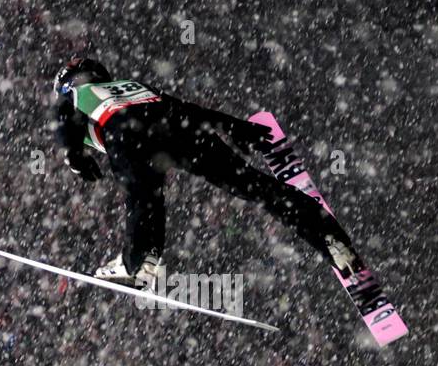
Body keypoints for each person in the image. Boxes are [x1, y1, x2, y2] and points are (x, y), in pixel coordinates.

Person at [52, 54, 363, 290]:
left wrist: (71, 152)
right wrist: (233, 125)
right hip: (177, 127)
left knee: (143, 193)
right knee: (250, 184)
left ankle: (140, 261)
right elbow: (185, 110)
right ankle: (329, 237)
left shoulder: (78, 95)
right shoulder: (133, 86)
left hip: (128, 133)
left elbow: (63, 114)